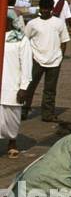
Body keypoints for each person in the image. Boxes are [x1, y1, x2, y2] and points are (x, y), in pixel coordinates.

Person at [23, 0, 69, 122]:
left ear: (51, 9)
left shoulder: (59, 23)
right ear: (40, 8)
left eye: (47, 9)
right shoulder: (32, 24)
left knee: (50, 90)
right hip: (36, 59)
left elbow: (64, 41)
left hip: (54, 61)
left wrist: (60, 57)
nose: (44, 11)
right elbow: (25, 41)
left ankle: (47, 114)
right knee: (29, 87)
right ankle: (23, 110)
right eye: (43, 8)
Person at [1, 15, 33, 157]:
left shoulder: (20, 39)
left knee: (12, 116)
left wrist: (24, 86)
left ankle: (12, 141)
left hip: (12, 83)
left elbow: (26, 63)